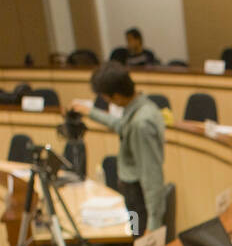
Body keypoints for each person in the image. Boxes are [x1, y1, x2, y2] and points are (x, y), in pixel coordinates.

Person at [70, 62, 167, 234]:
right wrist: (89, 111)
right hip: (135, 197)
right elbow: (121, 125)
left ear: (115, 96)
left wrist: (152, 225)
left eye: (105, 97)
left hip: (139, 201)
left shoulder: (141, 124)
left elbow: (152, 175)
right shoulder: (141, 107)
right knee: (135, 234)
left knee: (139, 239)